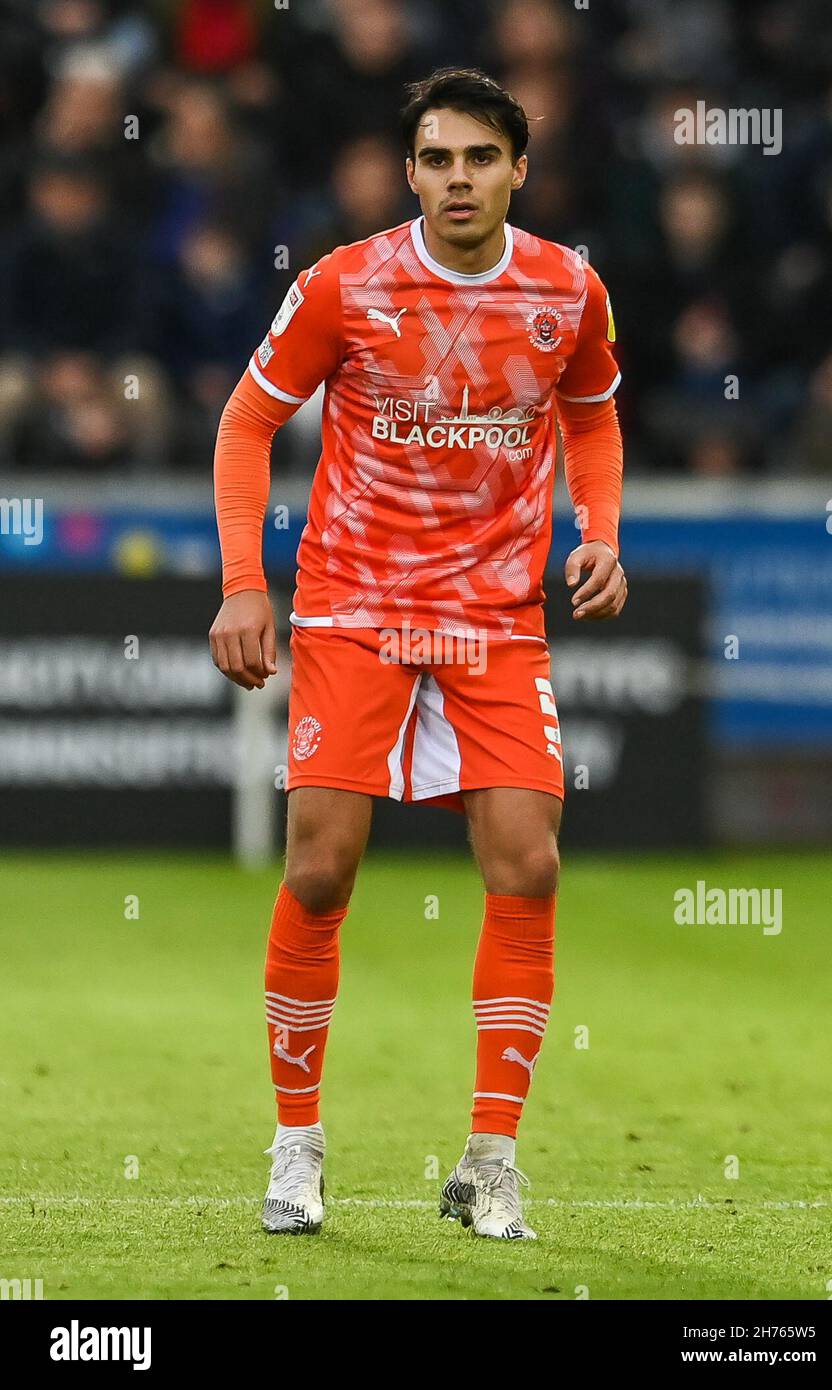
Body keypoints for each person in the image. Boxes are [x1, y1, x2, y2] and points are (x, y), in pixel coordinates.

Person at [209, 67, 626, 1240]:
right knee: (319, 871)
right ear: (410, 174)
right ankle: (296, 1145)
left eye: (480, 158)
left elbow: (590, 416)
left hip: (494, 616)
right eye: (437, 160)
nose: (458, 179)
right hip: (352, 605)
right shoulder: (346, 284)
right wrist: (247, 581)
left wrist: (597, 532)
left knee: (528, 862)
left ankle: (489, 1160)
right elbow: (247, 421)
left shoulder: (566, 288)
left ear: (517, 171)